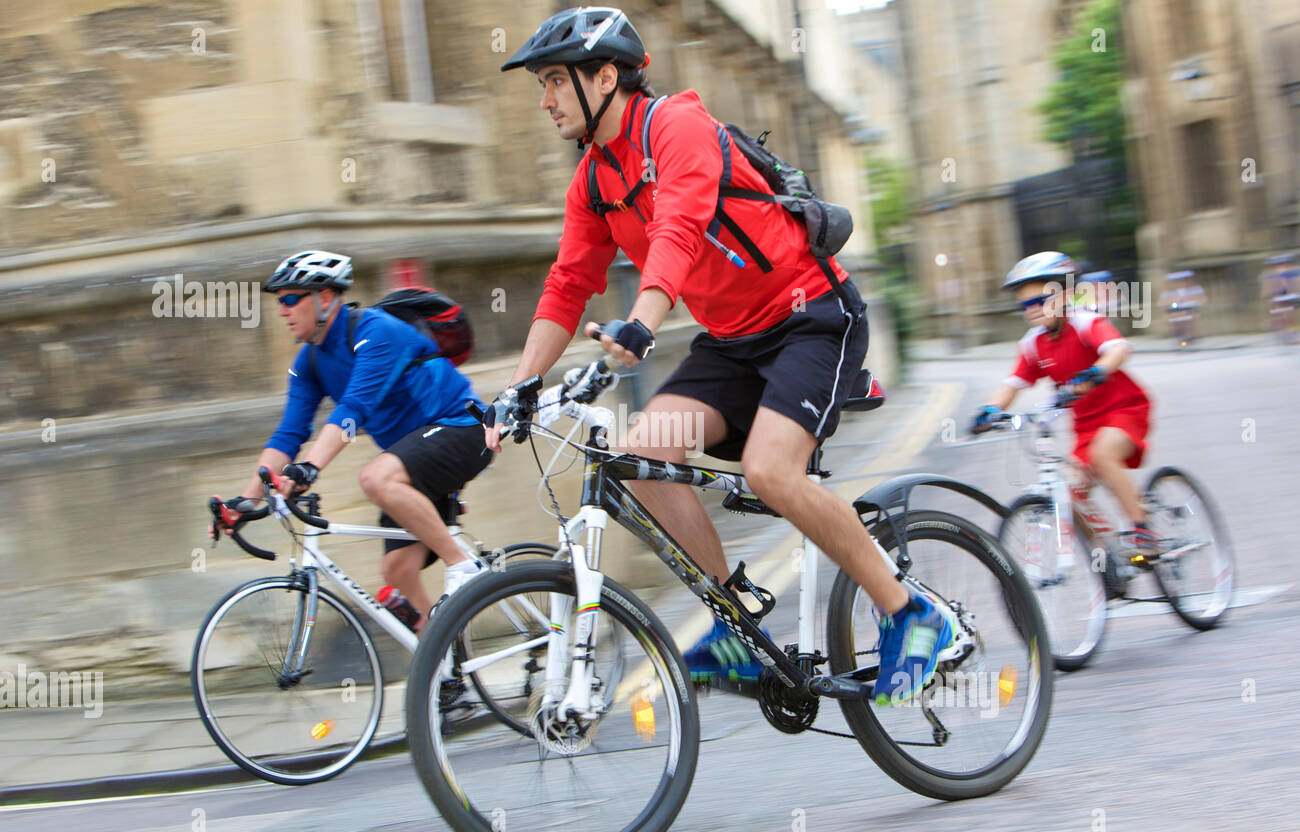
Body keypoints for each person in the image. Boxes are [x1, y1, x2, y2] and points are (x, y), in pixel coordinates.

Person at [489, 6, 959, 706]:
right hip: (734, 342)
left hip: (812, 319)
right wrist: (519, 389)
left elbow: (678, 229)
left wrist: (644, 322)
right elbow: (567, 285)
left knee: (773, 471)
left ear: (606, 77)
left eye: (556, 80)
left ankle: (911, 615)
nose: (545, 99)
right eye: (542, 85)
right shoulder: (592, 179)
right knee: (645, 458)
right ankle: (737, 620)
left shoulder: (676, 127)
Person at [214, 249, 491, 630]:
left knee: (376, 478)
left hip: (464, 428)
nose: (282, 310)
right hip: (413, 456)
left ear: (324, 298)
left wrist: (311, 467)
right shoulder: (308, 363)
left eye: (291, 299)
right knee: (397, 570)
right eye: (280, 302)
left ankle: (465, 567)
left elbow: (353, 408)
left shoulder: (376, 332)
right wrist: (247, 500)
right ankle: (449, 668)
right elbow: (289, 434)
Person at [973, 252, 1159, 555]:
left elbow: (1118, 349)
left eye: (1040, 301)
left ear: (1066, 295)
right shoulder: (1033, 343)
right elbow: (1012, 384)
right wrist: (990, 410)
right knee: (1067, 494)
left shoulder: (1085, 322)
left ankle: (1142, 529)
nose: (1032, 310)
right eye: (1024, 305)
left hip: (1124, 409)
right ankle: (1108, 559)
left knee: (1103, 456)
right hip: (1086, 427)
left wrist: (1097, 371)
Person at [1260, 253, 1299, 345]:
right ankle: (1282, 330)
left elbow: (1296, 285)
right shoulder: (1268, 275)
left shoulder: (1294, 272)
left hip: (1290, 296)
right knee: (1280, 314)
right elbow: (1266, 289)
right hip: (1277, 297)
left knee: (1290, 315)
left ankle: (1289, 332)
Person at [1159, 269, 1205, 347]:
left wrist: (1192, 300)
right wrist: (1172, 301)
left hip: (1191, 310)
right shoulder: (1169, 292)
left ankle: (1189, 335)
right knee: (1173, 317)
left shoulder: (1194, 289)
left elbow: (1202, 299)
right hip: (1175, 312)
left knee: (1187, 316)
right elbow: (1161, 303)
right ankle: (1180, 335)